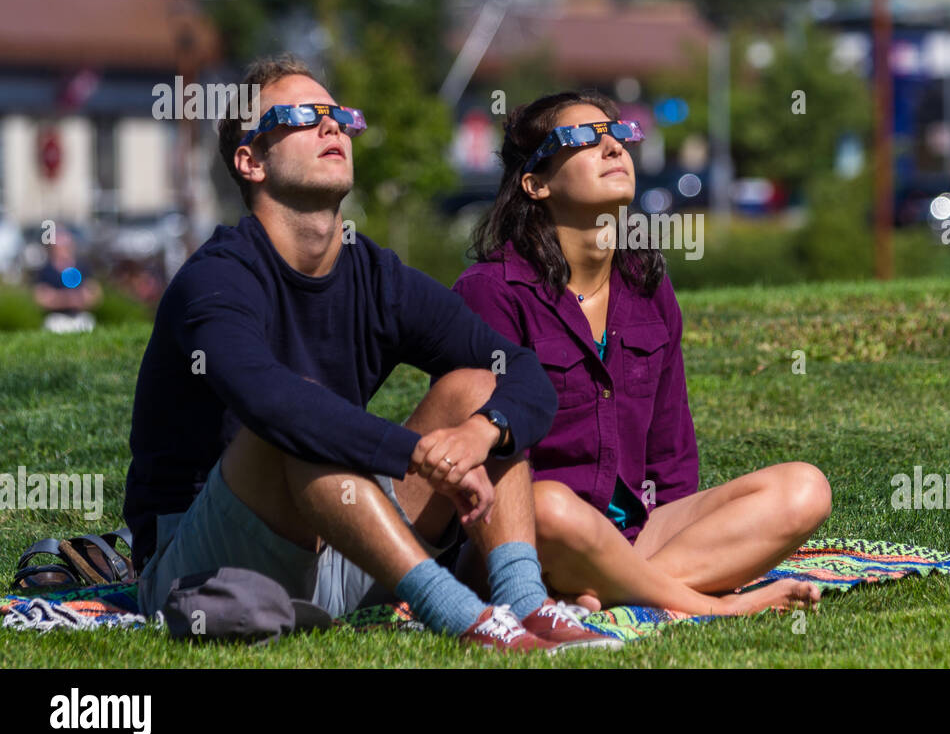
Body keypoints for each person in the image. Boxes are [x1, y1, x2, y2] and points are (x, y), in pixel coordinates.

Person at [124, 56, 618, 651]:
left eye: (339, 116)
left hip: (344, 541)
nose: (332, 127)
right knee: (298, 415)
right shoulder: (217, 279)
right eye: (303, 116)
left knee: (478, 388)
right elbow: (273, 404)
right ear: (250, 161)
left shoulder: (374, 274)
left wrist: (481, 434)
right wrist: (418, 455)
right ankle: (465, 617)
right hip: (205, 569)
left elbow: (523, 370)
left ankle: (523, 604)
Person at [452, 90, 833, 616]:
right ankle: (708, 604)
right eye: (584, 138)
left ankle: (615, 595)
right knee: (553, 507)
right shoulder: (491, 291)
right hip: (531, 536)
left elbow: (670, 450)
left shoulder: (644, 282)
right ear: (536, 183)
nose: (612, 147)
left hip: (633, 533)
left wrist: (689, 528)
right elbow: (484, 462)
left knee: (805, 488)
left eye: (618, 134)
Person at [33, 224, 101, 333]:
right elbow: (41, 298)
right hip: (56, 319)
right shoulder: (46, 270)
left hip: (80, 317)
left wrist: (59, 297)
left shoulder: (83, 267)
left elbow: (94, 295)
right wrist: (67, 299)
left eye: (66, 245)